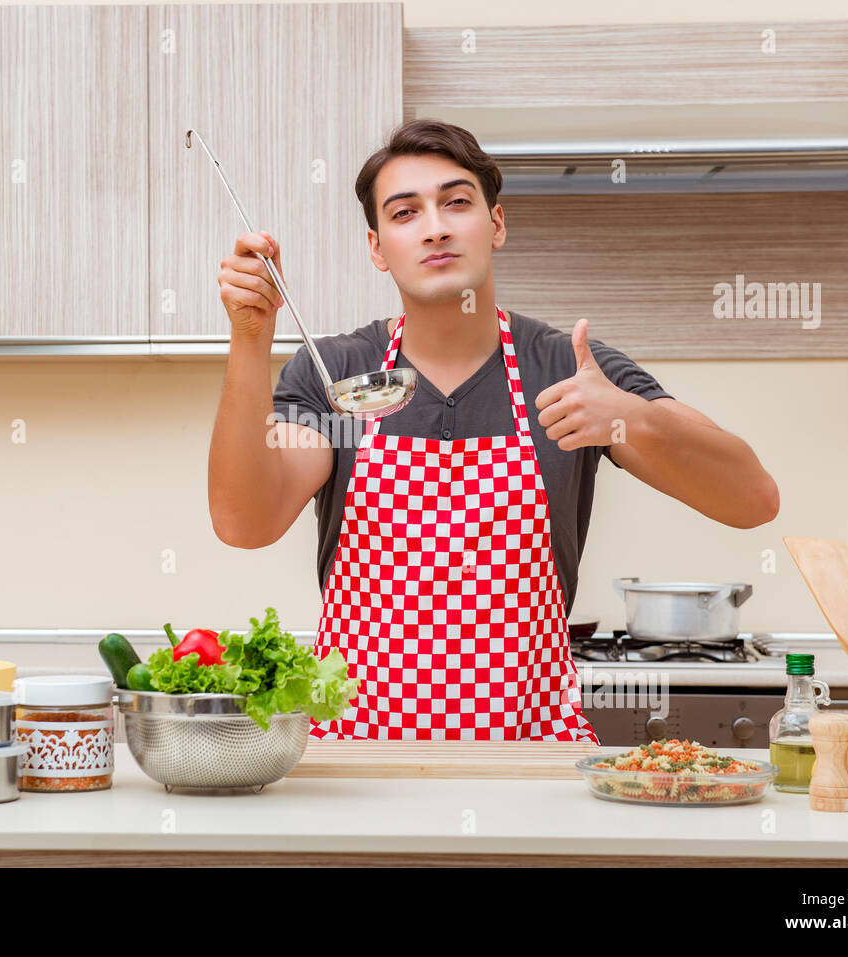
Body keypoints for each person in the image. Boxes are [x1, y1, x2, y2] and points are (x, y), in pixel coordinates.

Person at [207, 120, 779, 742]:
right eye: (405, 213)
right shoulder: (339, 373)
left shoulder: (569, 367)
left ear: (496, 225)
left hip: (532, 759)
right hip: (356, 762)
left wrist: (627, 414)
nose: (436, 227)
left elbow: (751, 500)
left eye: (457, 202)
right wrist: (249, 338)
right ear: (377, 249)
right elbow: (246, 523)